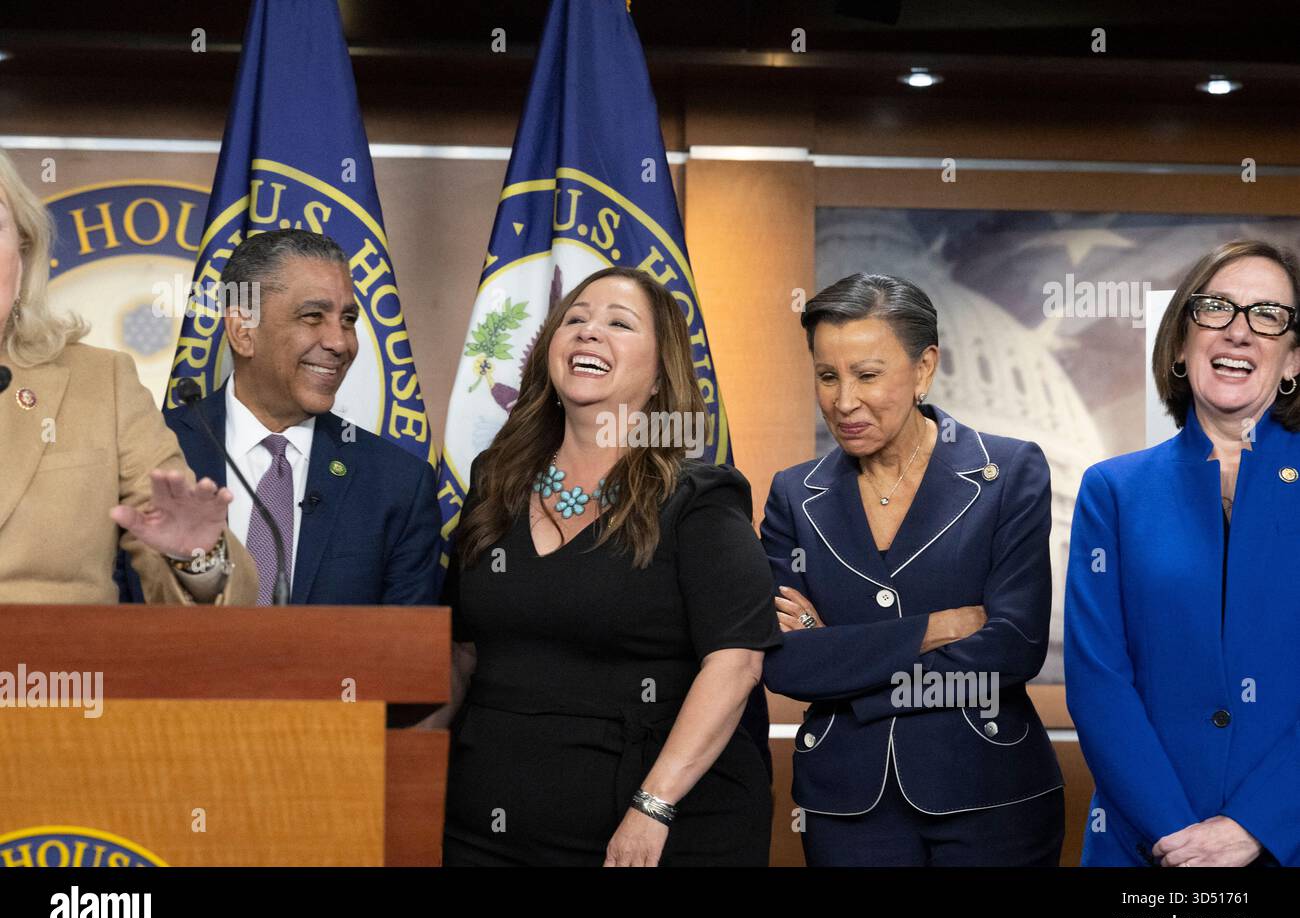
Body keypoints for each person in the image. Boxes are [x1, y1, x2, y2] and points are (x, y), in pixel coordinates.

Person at [434, 265, 781, 866]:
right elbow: (462, 652)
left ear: (657, 376)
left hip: (650, 835)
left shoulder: (698, 497)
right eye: (575, 320)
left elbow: (736, 662)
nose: (590, 333)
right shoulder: (496, 481)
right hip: (483, 827)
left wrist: (653, 807)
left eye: (619, 324)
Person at [761, 273, 1064, 866]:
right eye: (828, 376)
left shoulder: (1009, 472)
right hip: (846, 807)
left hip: (991, 796)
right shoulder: (795, 494)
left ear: (925, 368)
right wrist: (933, 629)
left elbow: (1014, 648)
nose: (844, 401)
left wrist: (853, 677)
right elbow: (788, 661)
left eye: (867, 375)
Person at [1066, 239, 1300, 867]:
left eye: (1268, 315)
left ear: (1293, 360)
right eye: (1216, 309)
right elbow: (1098, 684)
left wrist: (1258, 825)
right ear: (1179, 343)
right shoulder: (1112, 491)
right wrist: (1179, 838)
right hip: (1145, 845)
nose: (1240, 332)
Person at [121, 229, 439, 606]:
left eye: (348, 319)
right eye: (313, 316)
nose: (340, 343)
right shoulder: (147, 457)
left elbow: (406, 652)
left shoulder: (398, 484)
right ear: (243, 331)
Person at [0, 147, 256, 605]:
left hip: (53, 671)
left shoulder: (99, 383)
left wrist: (194, 558)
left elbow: (218, 596)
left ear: (23, 250)